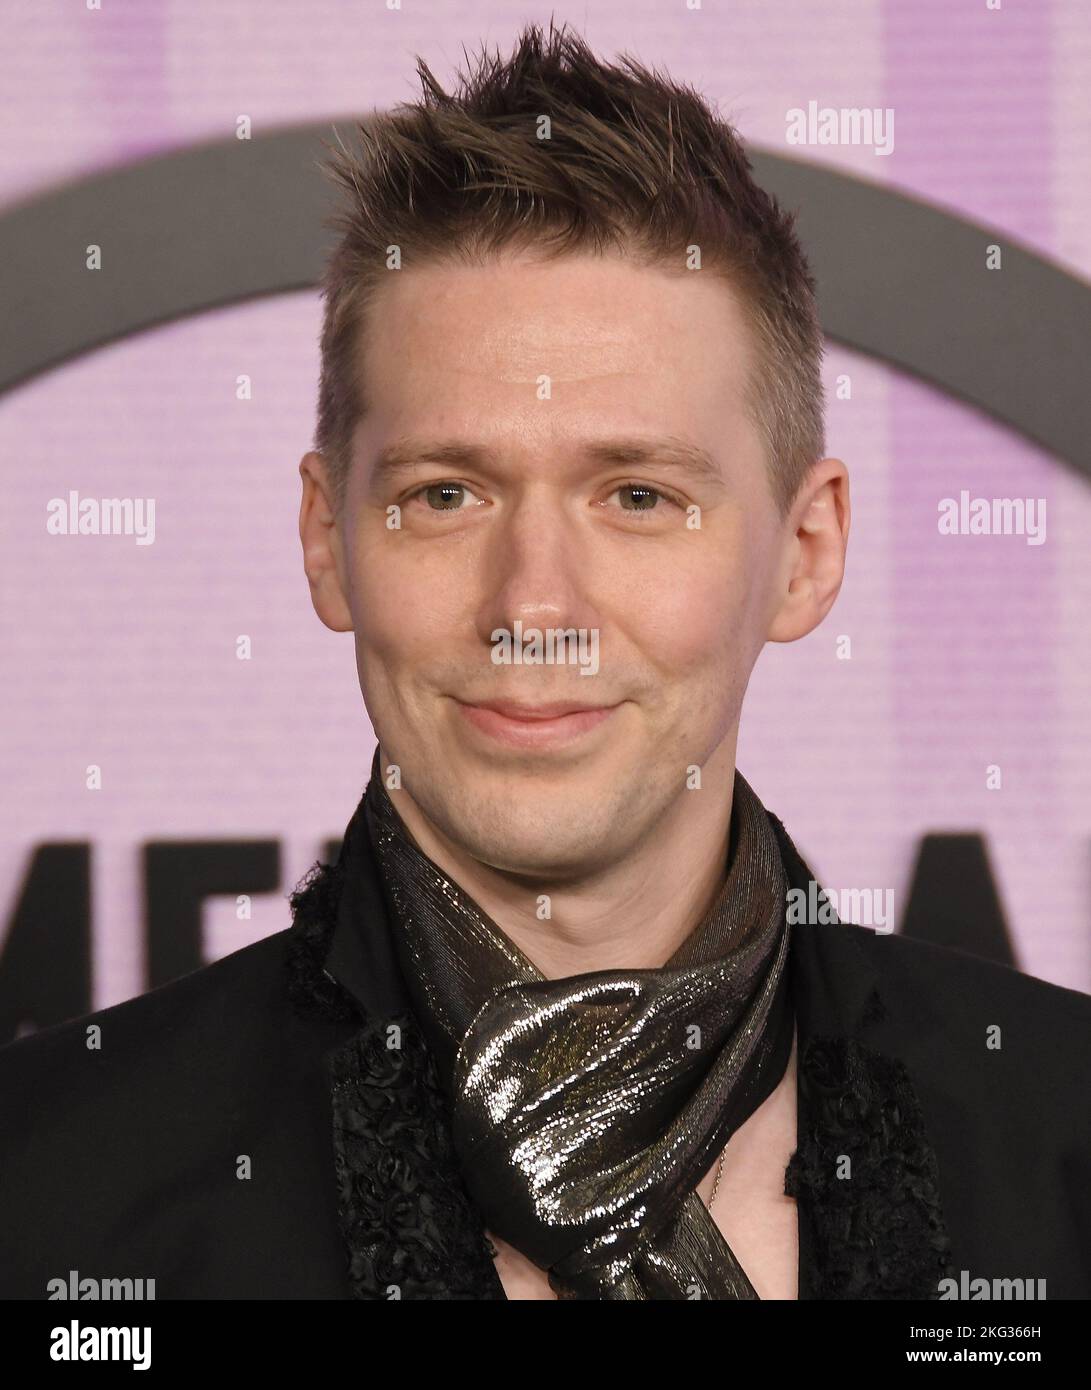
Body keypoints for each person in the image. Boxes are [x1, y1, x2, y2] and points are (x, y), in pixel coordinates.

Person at [2, 21, 1088, 1302]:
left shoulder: (1060, 1139)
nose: (532, 605)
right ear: (326, 541)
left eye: (635, 496)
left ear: (804, 550)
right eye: (445, 494)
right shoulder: (47, 1188)